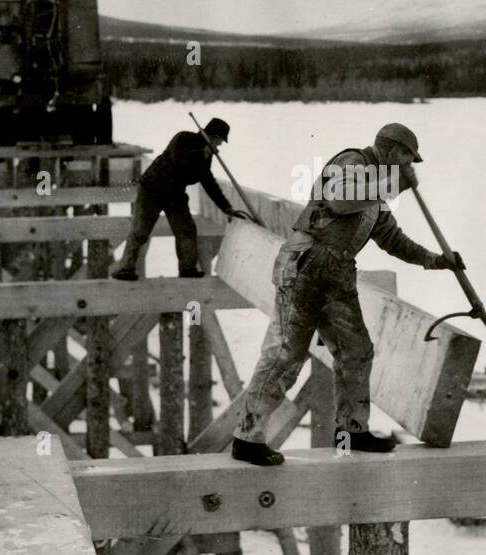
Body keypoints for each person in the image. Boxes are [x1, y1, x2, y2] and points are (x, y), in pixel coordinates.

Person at [231, 122, 464, 466]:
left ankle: (351, 431)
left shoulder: (376, 194)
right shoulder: (351, 165)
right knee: (286, 354)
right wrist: (391, 183)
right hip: (305, 266)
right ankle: (246, 439)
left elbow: (391, 239)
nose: (409, 166)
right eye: (406, 157)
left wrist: (435, 261)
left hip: (336, 274)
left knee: (357, 351)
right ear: (387, 151)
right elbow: (340, 202)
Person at [113, 116, 248, 280]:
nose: (219, 145)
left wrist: (226, 208)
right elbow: (179, 160)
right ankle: (125, 268)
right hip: (151, 189)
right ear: (214, 136)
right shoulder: (183, 138)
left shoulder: (207, 158)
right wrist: (201, 154)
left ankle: (188, 269)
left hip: (175, 194)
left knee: (187, 230)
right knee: (140, 230)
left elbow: (209, 182)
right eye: (220, 141)